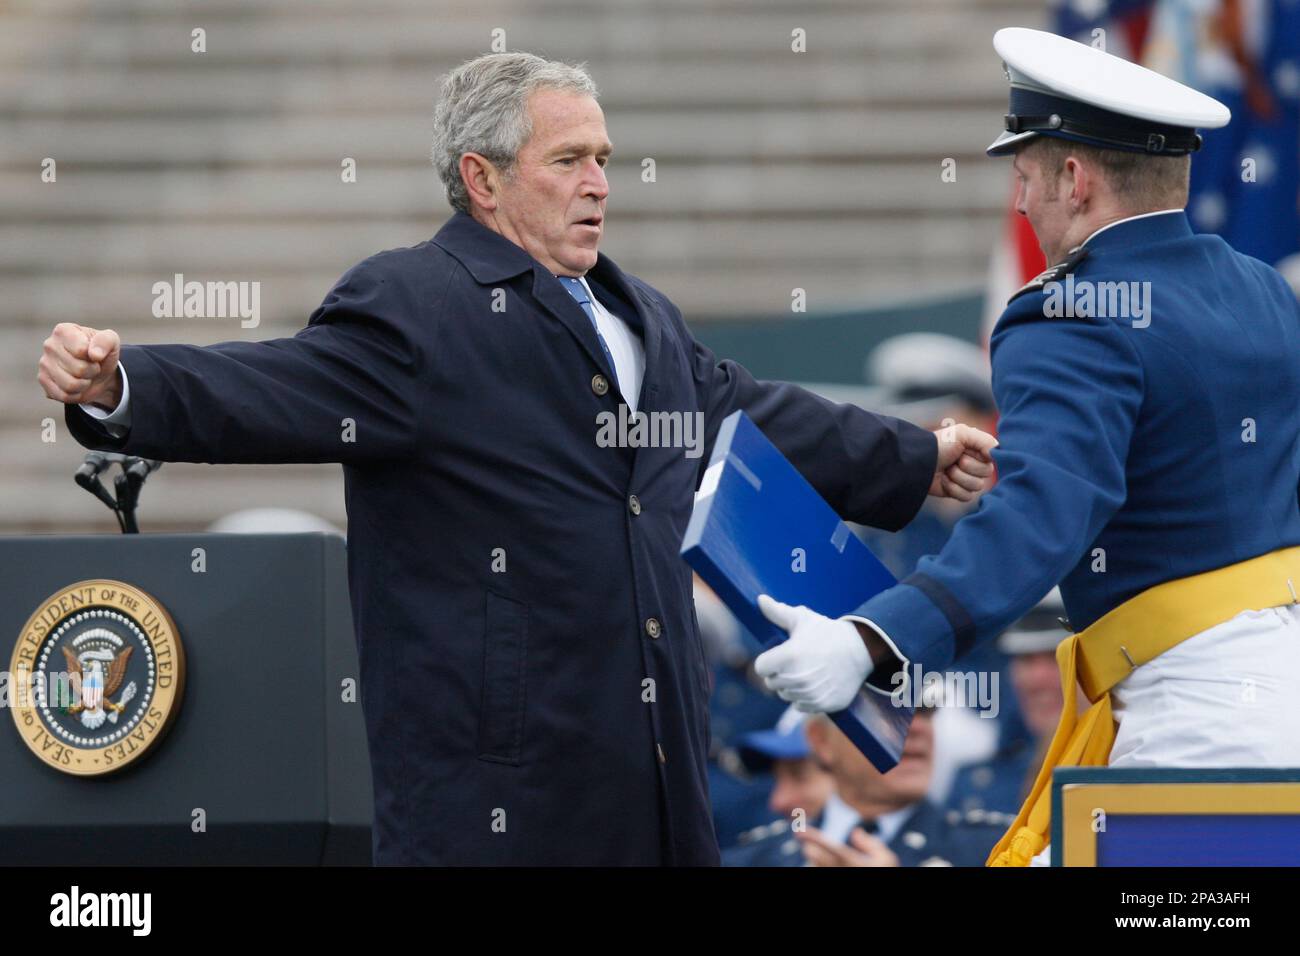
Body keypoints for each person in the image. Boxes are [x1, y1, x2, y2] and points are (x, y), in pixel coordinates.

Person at [36, 52, 997, 866]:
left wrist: (916, 455)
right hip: (497, 807)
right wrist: (123, 386)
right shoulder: (418, 305)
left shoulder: (643, 315)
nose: (600, 183)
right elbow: (273, 389)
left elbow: (752, 414)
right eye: (570, 159)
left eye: (606, 159)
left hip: (661, 789)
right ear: (483, 177)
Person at [753, 27, 1300, 866]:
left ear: (1074, 179)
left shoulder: (1070, 312)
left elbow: (1042, 518)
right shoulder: (1261, 289)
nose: (1019, 200)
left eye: (1025, 171)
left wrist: (873, 640)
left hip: (1193, 721)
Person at [723, 707, 1008, 867]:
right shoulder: (752, 859)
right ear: (822, 741)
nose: (918, 727)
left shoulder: (999, 851)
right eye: (890, 710)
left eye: (927, 710)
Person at [945, 590, 1067, 817]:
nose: (1037, 679)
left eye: (1056, 657)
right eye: (1026, 660)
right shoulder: (977, 789)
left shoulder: (1125, 764)